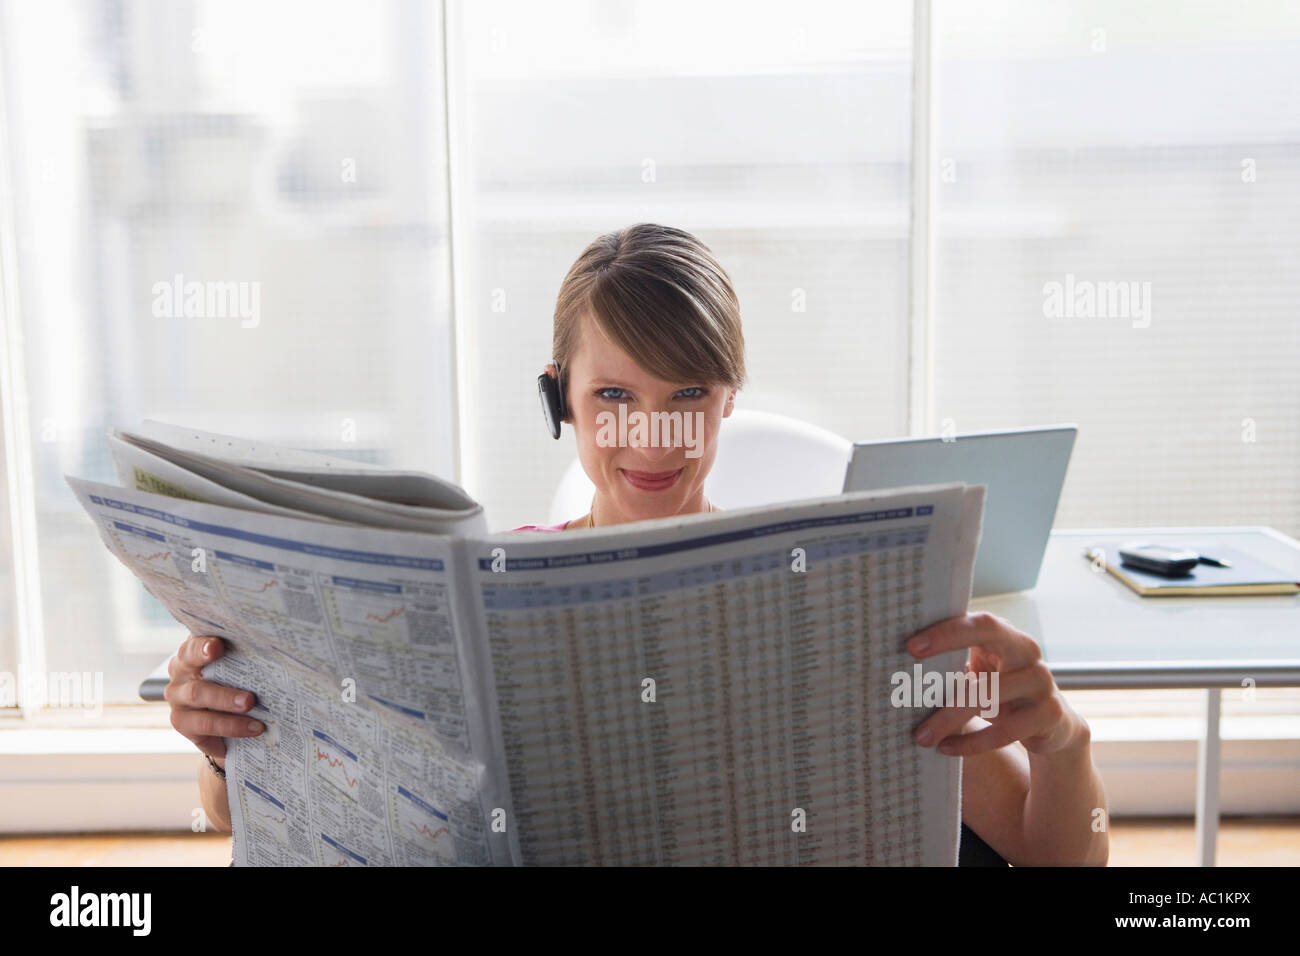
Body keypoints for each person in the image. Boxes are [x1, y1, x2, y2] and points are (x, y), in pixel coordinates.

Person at [167, 222, 1108, 865]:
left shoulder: (841, 602)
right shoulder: (482, 596)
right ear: (560, 398)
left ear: (731, 398)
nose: (653, 435)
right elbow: (248, 817)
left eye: (687, 396)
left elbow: (1053, 853)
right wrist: (223, 749)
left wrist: (1062, 738)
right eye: (615, 396)